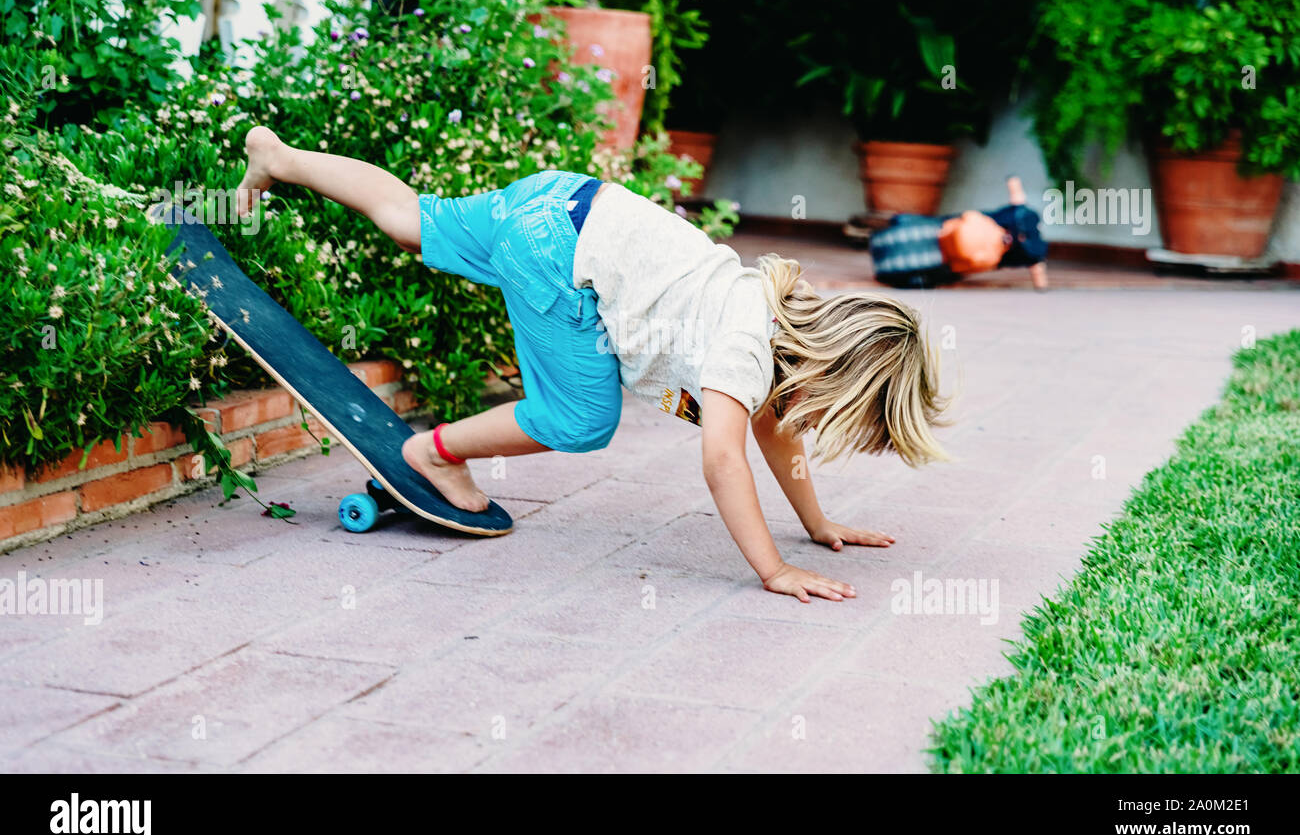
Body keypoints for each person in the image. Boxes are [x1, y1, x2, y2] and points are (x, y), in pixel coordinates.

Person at [235, 127, 949, 603]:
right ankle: (432, 451)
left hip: (565, 202)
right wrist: (775, 567)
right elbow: (724, 458)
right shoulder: (745, 348)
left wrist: (817, 521)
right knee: (580, 418)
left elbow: (772, 428)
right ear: (834, 380)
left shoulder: (769, 319)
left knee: (408, 215)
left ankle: (281, 159)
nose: (827, 430)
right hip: (557, 250)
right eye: (848, 422)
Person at [869, 177, 1049, 290]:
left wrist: (1013, 179)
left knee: (904, 224)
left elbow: (1015, 187)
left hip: (942, 228)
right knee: (923, 274)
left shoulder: (1020, 212)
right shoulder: (1032, 254)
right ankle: (891, 276)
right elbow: (1040, 280)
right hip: (946, 263)